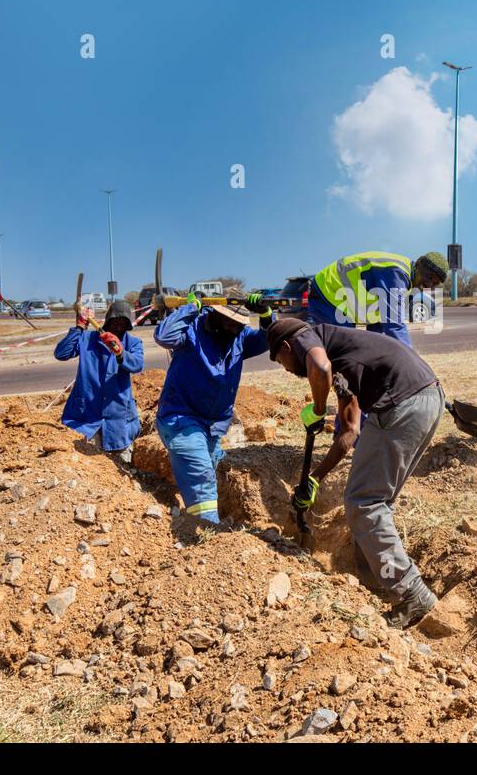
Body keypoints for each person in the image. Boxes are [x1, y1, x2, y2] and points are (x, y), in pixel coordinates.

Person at [267, 317, 443, 628]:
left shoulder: (308, 337)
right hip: (424, 399)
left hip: (400, 403)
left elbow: (318, 369)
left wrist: (319, 411)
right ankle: (377, 575)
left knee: (364, 502)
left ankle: (412, 593)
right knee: (377, 501)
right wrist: (314, 479)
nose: (288, 371)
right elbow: (349, 432)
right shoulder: (342, 364)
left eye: (282, 363)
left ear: (285, 347)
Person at [153, 293, 273, 525]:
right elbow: (163, 337)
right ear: (216, 315)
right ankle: (208, 535)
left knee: (216, 472)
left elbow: (267, 340)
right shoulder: (192, 330)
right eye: (230, 322)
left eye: (239, 325)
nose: (235, 329)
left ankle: (209, 523)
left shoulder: (238, 336)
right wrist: (190, 308)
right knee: (201, 476)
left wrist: (266, 315)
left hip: (213, 425)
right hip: (181, 419)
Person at [54, 299, 145, 463]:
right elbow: (61, 353)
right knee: (87, 466)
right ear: (108, 320)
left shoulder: (133, 343)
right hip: (86, 418)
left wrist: (120, 353)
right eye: (115, 322)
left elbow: (137, 364)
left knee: (123, 466)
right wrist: (79, 328)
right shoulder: (87, 339)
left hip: (118, 420)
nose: (118, 327)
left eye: (122, 324)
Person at [306, 250, 448, 346]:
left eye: (435, 283)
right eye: (428, 277)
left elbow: (379, 326)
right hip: (327, 293)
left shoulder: (408, 285)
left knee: (365, 348)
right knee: (347, 347)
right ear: (417, 266)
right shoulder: (396, 274)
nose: (429, 284)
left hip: (339, 303)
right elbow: (394, 324)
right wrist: (412, 363)